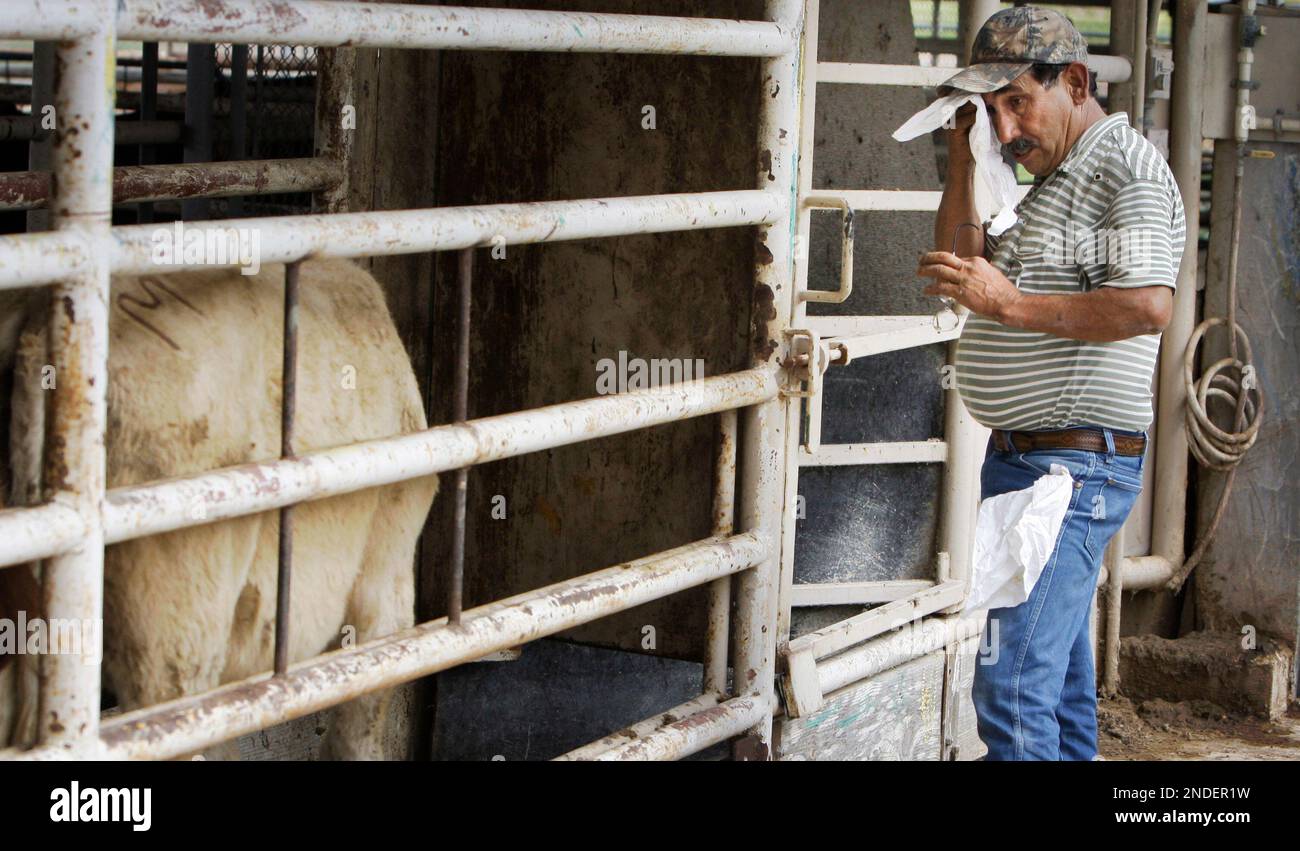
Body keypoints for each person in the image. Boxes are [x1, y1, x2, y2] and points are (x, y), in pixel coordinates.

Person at [917, 5, 1186, 760]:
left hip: (1072, 467)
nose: (1006, 129)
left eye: (1016, 104)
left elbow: (1146, 304)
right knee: (1056, 685)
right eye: (990, 111)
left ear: (1073, 81)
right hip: (1031, 464)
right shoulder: (1049, 174)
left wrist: (1007, 302)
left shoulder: (1122, 169)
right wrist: (966, 162)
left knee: (1010, 686)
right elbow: (957, 271)